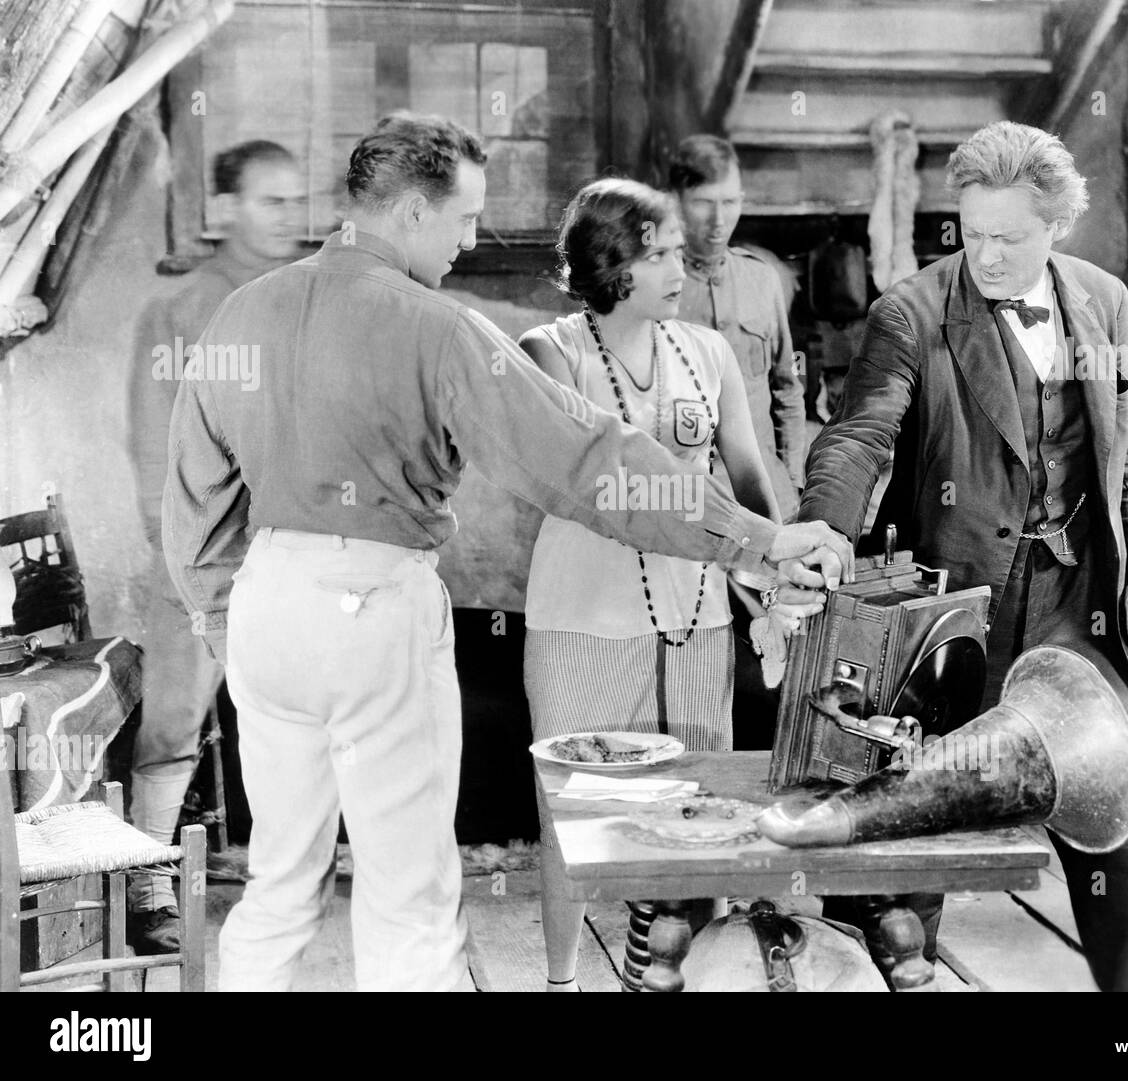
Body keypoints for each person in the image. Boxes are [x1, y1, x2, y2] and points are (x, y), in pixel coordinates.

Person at [162, 113, 851, 992]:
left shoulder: (240, 312)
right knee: (408, 888)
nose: (472, 238)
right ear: (412, 212)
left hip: (266, 610)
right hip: (373, 607)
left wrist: (229, 624)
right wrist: (753, 539)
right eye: (463, 218)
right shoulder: (435, 328)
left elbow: (193, 509)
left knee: (278, 879)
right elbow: (592, 462)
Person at [782, 121, 1128, 992]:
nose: (986, 255)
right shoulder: (911, 311)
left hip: (1081, 613)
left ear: (1057, 228)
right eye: (972, 231)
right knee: (903, 861)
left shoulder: (1104, 299)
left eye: (1011, 237)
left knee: (1123, 836)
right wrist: (821, 529)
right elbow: (859, 436)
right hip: (950, 627)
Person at [518, 178, 812, 991]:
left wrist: (777, 561)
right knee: (574, 812)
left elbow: (749, 476)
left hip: (693, 616)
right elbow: (598, 483)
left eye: (678, 250)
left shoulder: (708, 352)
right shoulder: (552, 352)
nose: (680, 266)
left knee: (697, 809)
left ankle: (679, 970)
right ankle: (562, 979)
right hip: (581, 616)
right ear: (611, 266)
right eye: (658, 255)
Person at [125, 140, 304, 954]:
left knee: (300, 723)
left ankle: (288, 883)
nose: (287, 219)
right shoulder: (181, 310)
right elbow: (153, 447)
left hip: (294, 556)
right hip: (200, 560)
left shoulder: (301, 299)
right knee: (171, 728)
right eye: (270, 201)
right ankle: (149, 891)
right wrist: (183, 560)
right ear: (226, 207)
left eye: (294, 202)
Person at [669, 135, 805, 520]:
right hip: (690, 506)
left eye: (730, 203)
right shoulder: (656, 284)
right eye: (703, 204)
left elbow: (787, 390)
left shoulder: (762, 280)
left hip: (767, 500)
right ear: (676, 202)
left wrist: (791, 479)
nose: (719, 220)